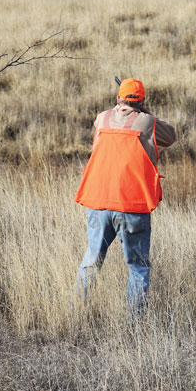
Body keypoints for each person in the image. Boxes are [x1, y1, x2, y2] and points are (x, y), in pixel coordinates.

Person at [73, 78, 176, 315]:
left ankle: (76, 313)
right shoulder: (146, 121)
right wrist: (146, 111)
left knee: (91, 262)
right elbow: (170, 136)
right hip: (131, 205)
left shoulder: (102, 118)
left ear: (118, 98)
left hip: (98, 202)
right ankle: (134, 326)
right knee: (138, 267)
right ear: (141, 100)